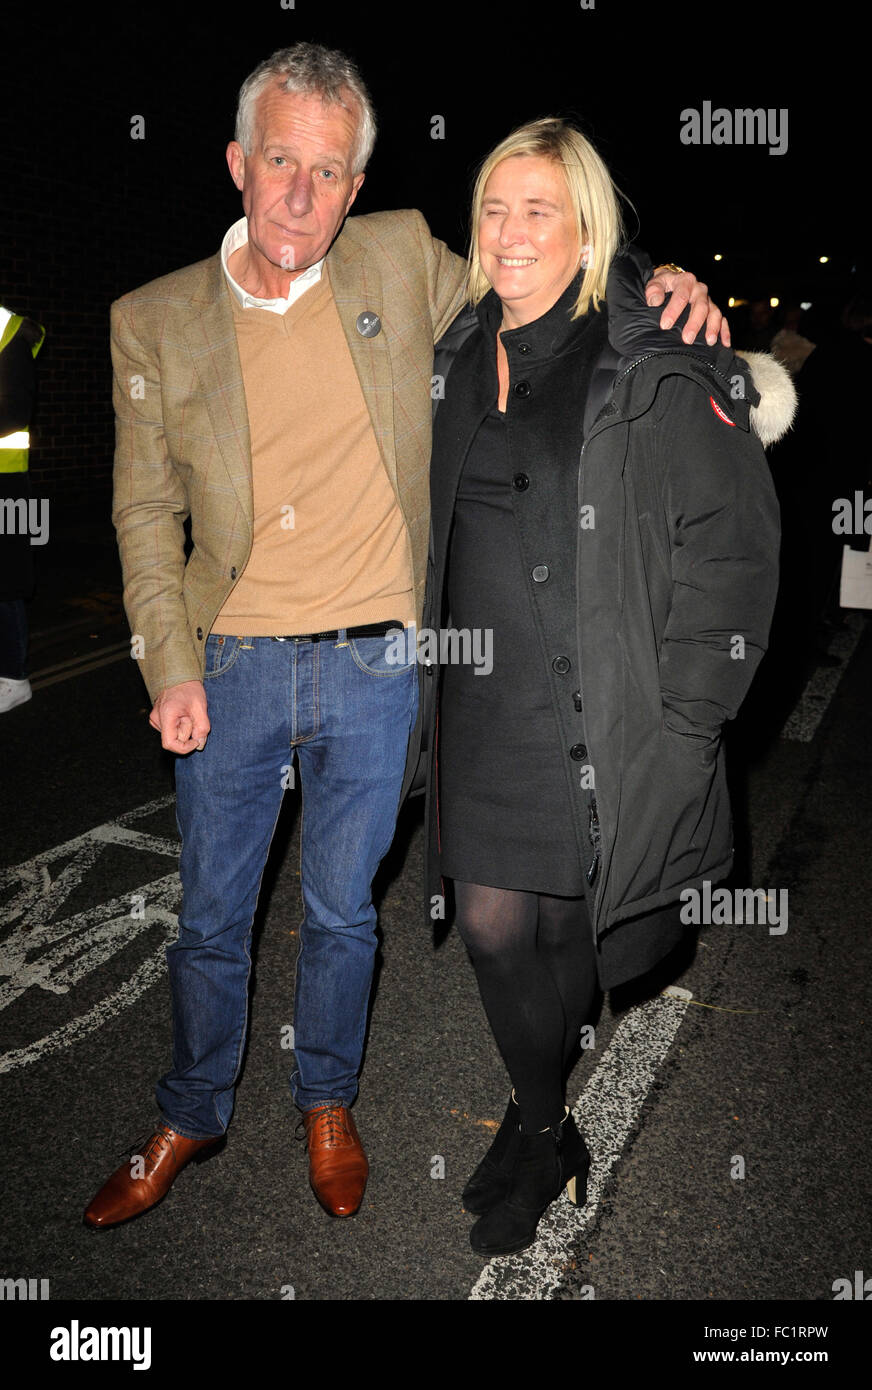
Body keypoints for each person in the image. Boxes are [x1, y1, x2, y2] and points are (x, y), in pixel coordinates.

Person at [83, 43, 726, 1229]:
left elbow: (543, 275)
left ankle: (325, 1102)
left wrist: (660, 283)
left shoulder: (393, 256)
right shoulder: (153, 320)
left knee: (339, 909)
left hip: (381, 665)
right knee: (212, 917)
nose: (301, 197)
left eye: (329, 172)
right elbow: (140, 509)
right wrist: (166, 660)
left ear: (355, 181)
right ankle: (189, 1109)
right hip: (228, 660)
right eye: (279, 162)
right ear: (237, 162)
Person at [424, 118, 794, 1257]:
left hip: (603, 708)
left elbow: (729, 549)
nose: (511, 232)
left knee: (571, 932)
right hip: (477, 703)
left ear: (589, 233)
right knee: (490, 927)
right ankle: (545, 1121)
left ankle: (536, 1131)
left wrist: (687, 725)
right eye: (494, 206)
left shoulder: (649, 357)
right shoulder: (452, 340)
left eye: (541, 209)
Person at [0, 305, 45, 713]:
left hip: (9, 484)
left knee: (8, 582)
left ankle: (14, 678)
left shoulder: (8, 330)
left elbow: (12, 413)